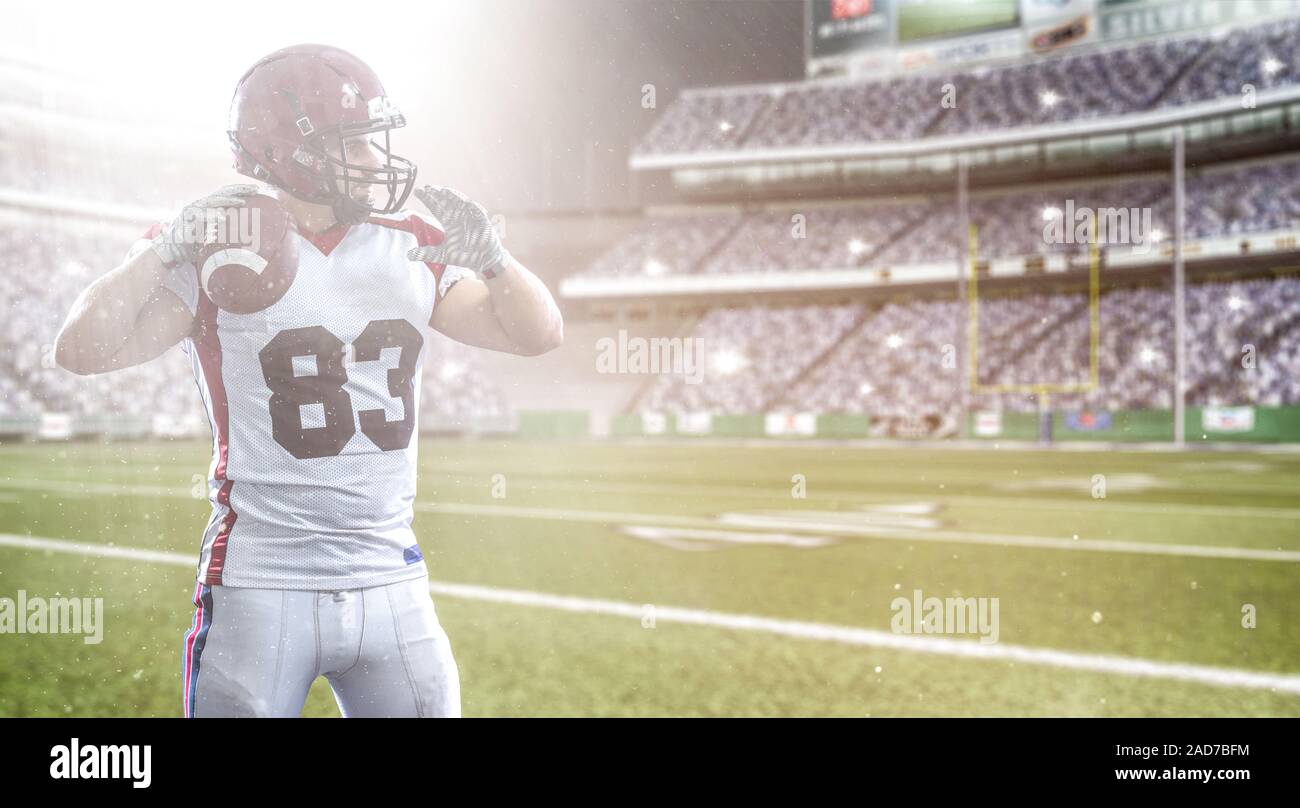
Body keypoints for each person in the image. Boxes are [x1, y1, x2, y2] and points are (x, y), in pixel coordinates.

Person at [54, 44, 563, 717]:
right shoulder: (219, 245)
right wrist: (164, 245)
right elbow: (82, 350)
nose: (379, 162)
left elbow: (537, 333)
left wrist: (496, 260)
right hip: (261, 583)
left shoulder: (406, 240)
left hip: (390, 576)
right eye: (356, 145)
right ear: (290, 152)